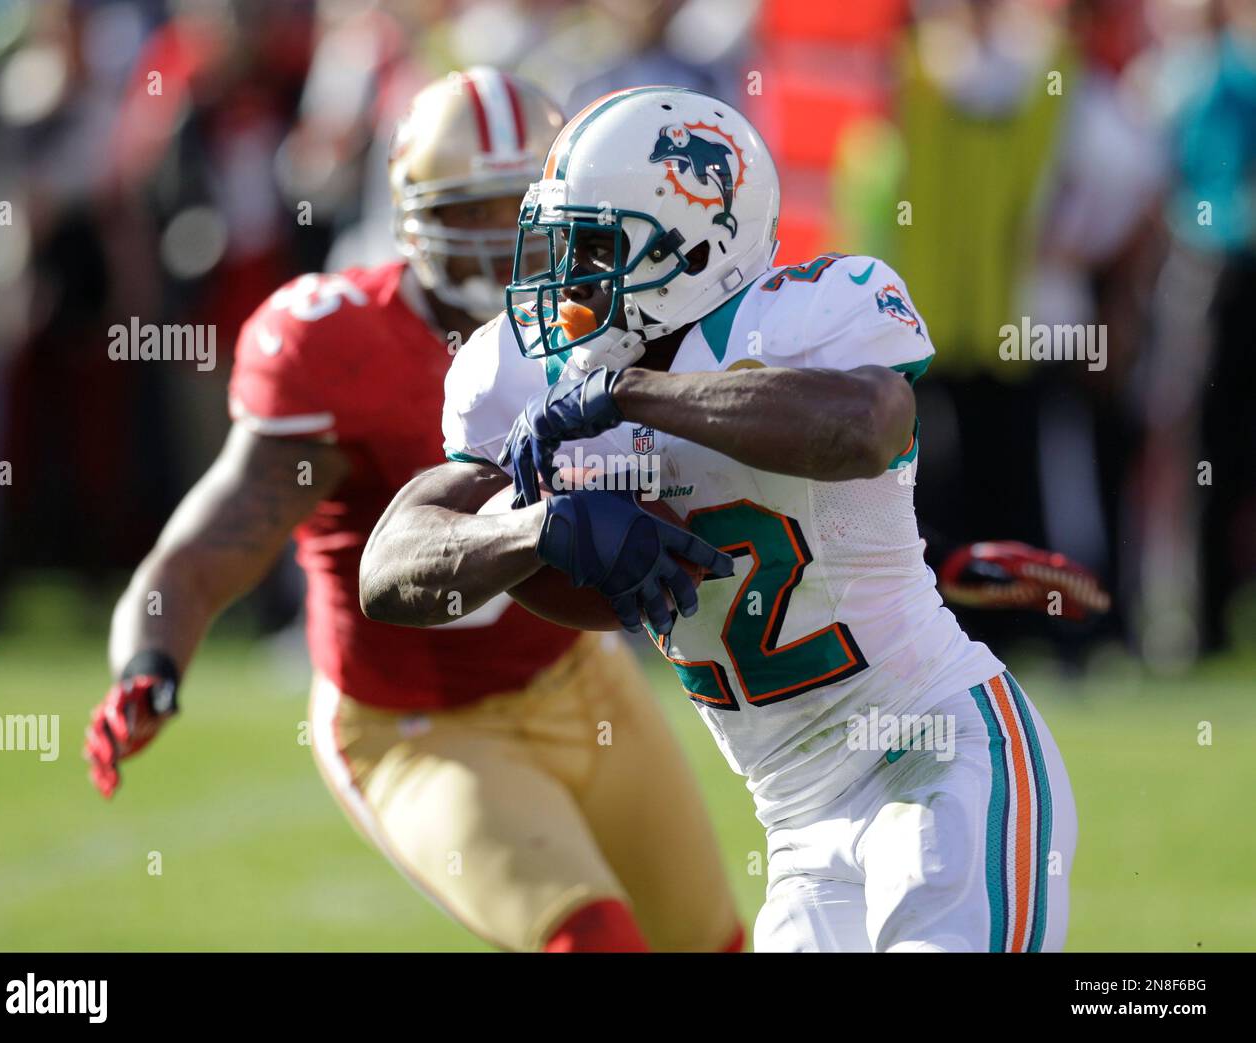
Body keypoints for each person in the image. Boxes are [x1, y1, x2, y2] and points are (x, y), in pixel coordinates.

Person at [361, 86, 1080, 952]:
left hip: (938, 757)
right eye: (559, 244)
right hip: (798, 827)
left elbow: (863, 426)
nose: (565, 276)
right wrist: (539, 531)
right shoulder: (523, 373)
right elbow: (393, 564)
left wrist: (628, 393)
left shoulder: (805, 315)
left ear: (696, 242)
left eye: (594, 245)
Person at [84, 69, 744, 955]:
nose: (505, 234)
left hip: (581, 677)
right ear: (414, 215)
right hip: (418, 727)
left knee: (715, 943)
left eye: (522, 204)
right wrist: (151, 656)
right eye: (473, 209)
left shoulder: (614, 312)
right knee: (595, 943)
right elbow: (217, 537)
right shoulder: (339, 344)